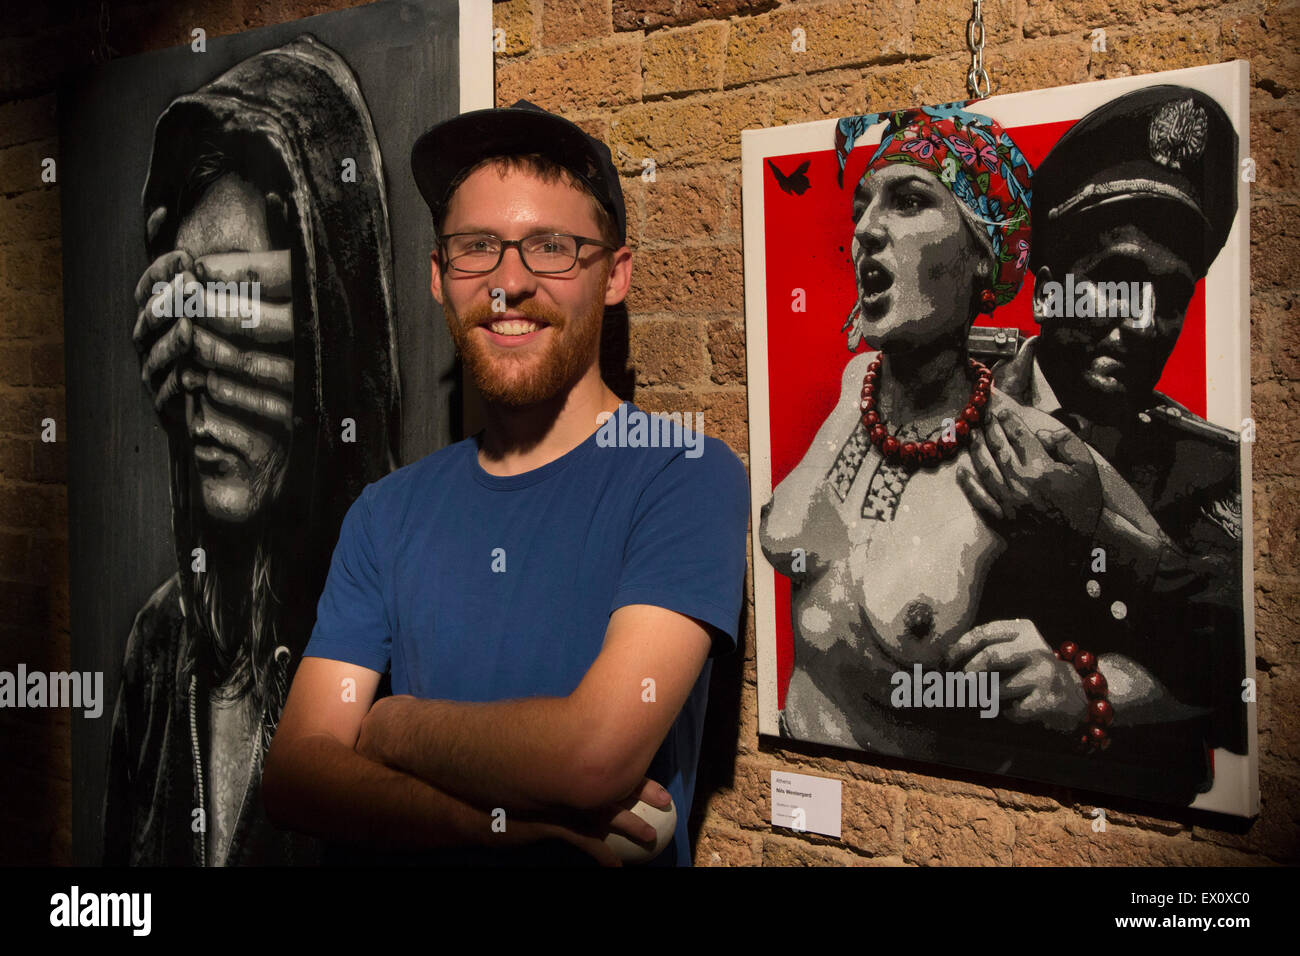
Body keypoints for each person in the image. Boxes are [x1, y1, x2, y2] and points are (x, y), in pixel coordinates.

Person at [260, 100, 749, 866]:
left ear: (615, 275)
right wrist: (499, 829)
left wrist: (390, 728)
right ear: (438, 276)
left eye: (552, 247)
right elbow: (296, 774)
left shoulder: (682, 476)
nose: (507, 283)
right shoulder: (387, 512)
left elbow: (593, 757)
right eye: (477, 248)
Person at [760, 103, 1185, 781]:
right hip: (788, 781)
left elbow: (1206, 655)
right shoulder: (854, 384)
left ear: (982, 254)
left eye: (907, 202)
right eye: (865, 204)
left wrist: (1086, 691)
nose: (867, 228)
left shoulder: (1031, 452)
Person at [102, 35, 401, 866]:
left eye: (241, 311)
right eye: (183, 322)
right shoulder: (158, 651)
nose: (207, 379)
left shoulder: (397, 659)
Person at [971, 85, 1249, 801]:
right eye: (1116, 282)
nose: (1144, 325)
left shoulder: (1210, 469)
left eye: (1172, 296)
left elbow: (1243, 666)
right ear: (1047, 282)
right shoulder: (953, 413)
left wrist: (1090, 691)